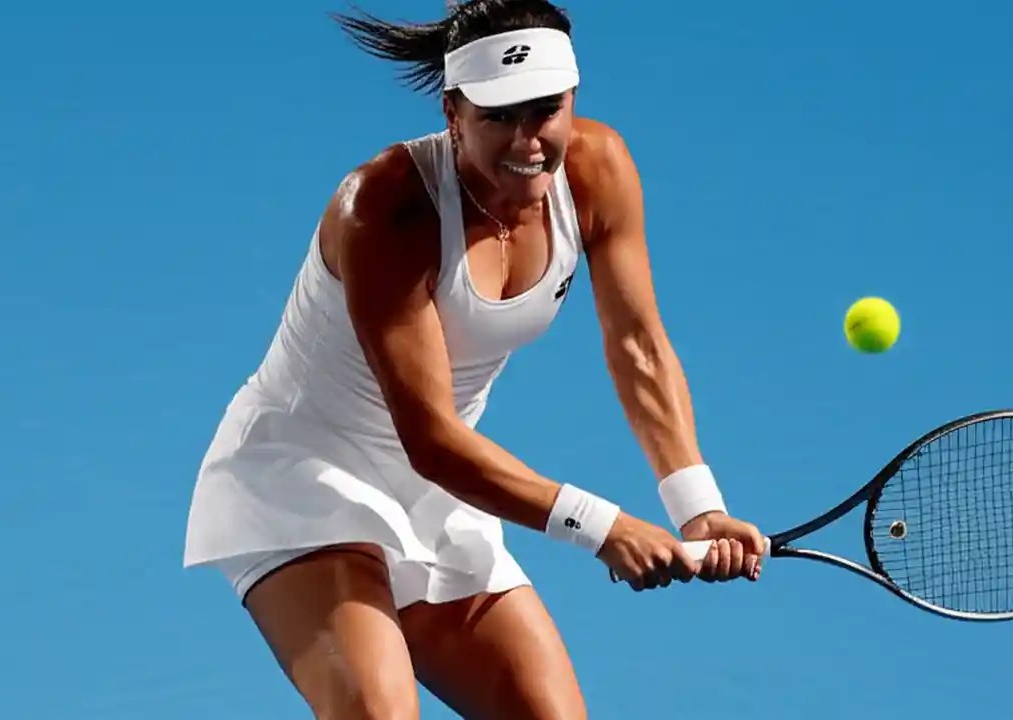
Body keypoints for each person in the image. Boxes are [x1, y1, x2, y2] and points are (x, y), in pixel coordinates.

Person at [183, 1, 767, 717]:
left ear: (572, 99)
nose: (527, 139)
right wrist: (601, 525)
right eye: (498, 116)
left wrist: (697, 505)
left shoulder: (599, 170)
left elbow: (639, 346)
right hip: (304, 475)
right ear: (453, 110)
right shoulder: (386, 210)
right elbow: (429, 437)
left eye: (545, 111)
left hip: (443, 490)